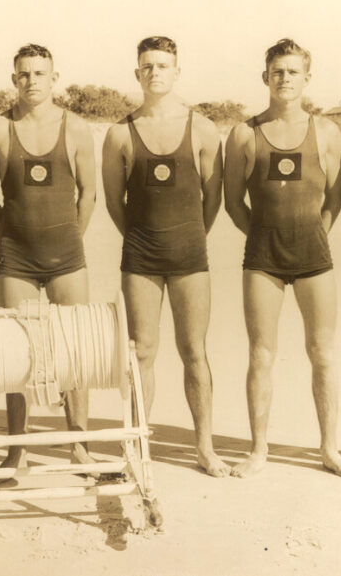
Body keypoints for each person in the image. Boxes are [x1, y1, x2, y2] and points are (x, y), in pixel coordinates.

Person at [223, 39, 341, 478]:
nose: (285, 79)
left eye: (293, 72)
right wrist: (264, 237)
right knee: (261, 355)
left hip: (313, 255)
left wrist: (313, 235)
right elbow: (232, 201)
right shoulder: (244, 133)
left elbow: (335, 198)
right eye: (277, 72)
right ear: (265, 77)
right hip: (262, 257)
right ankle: (258, 450)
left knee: (323, 353)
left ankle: (330, 449)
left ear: (307, 78)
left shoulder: (327, 132)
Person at [102, 35, 230, 477]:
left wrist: (190, 237)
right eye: (148, 66)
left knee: (194, 350)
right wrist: (142, 238)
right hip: (140, 256)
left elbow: (213, 196)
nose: (155, 72)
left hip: (190, 255)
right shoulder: (120, 133)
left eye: (162, 65)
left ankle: (205, 447)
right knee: (141, 353)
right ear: (137, 73)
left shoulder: (203, 128)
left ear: (177, 71)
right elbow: (114, 202)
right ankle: (136, 446)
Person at [0, 43, 97, 472]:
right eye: (24, 74)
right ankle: (17, 449)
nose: (32, 81)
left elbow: (90, 194)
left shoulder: (76, 128)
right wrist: (12, 241)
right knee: (15, 354)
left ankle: (79, 445)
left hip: (68, 257)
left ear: (54, 78)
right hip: (17, 260)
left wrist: (69, 239)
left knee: (75, 350)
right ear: (14, 79)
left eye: (40, 73)